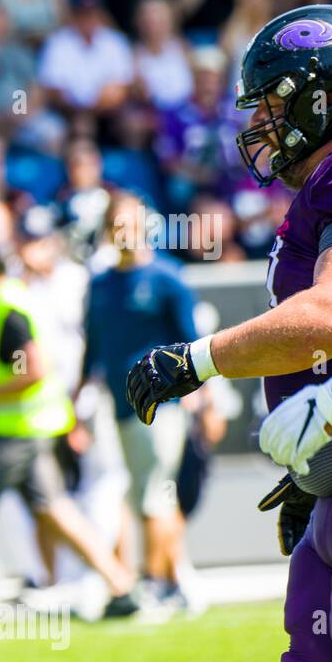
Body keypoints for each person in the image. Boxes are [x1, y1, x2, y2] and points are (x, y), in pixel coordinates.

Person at [127, 5, 332, 662]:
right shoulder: (331, 182)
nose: (262, 123)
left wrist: (196, 360)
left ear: (327, 97)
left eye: (274, 102)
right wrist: (316, 474)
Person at [0, 241, 137, 621]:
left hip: (13, 431)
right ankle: (121, 583)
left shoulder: (7, 309)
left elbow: (32, 369)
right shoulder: (12, 301)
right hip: (32, 427)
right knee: (54, 509)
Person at [81, 193, 199, 607]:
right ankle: (173, 582)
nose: (124, 234)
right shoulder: (99, 284)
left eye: (131, 224)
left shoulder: (168, 278)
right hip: (118, 405)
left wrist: (202, 400)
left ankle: (156, 584)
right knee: (139, 496)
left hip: (162, 405)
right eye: (117, 225)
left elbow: (194, 344)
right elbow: (92, 347)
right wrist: (79, 400)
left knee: (153, 495)